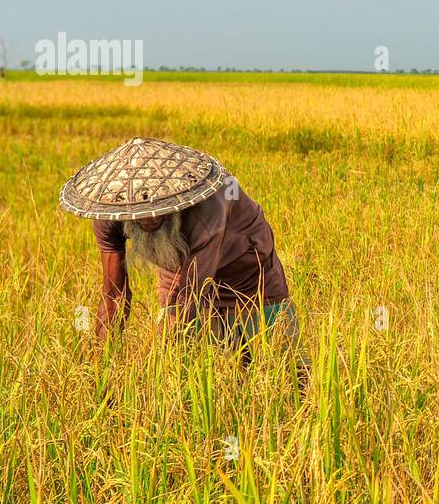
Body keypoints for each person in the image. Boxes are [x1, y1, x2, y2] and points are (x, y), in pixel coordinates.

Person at [59, 138, 304, 378]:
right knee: (198, 370)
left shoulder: (208, 204)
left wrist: (147, 373)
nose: (149, 219)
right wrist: (103, 366)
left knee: (284, 367)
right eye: (139, 214)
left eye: (157, 209)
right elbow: (114, 293)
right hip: (180, 262)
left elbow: (188, 301)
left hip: (247, 270)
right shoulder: (111, 211)